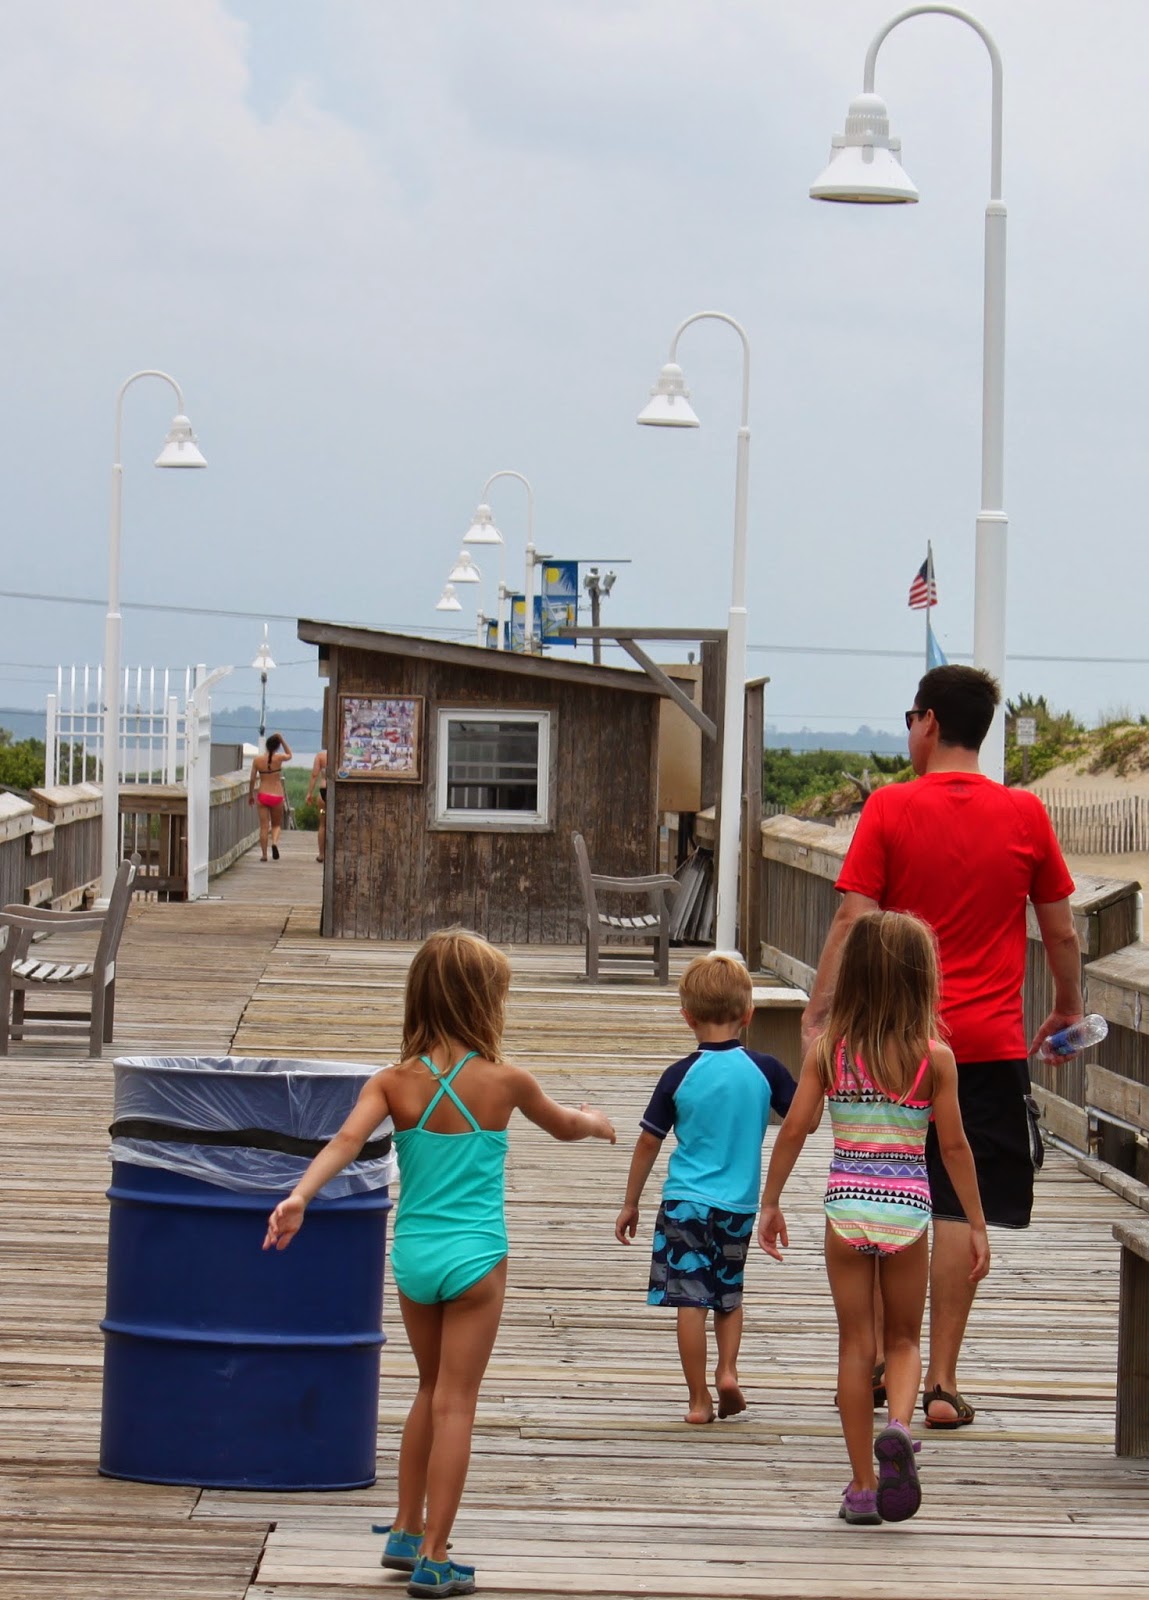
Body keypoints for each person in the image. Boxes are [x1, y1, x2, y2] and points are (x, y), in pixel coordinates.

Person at [263, 928, 615, 1599]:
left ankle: (403, 1526)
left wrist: (299, 1196)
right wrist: (595, 1122)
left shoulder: (392, 1083)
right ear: (484, 1004)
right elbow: (564, 1125)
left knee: (427, 1389)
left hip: (414, 1257)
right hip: (475, 1259)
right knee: (457, 1401)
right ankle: (435, 1554)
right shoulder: (504, 1080)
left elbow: (346, 1139)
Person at [801, 665, 1080, 1430]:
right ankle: (941, 1383)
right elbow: (1058, 927)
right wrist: (1065, 1006)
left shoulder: (889, 808)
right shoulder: (1023, 813)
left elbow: (851, 921)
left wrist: (821, 1015)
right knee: (961, 1198)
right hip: (985, 1045)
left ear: (926, 722)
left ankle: (863, 1368)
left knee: (873, 1185)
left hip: (887, 1042)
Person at [760, 910, 990, 1525]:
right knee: (905, 1339)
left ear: (854, 977)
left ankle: (863, 1485)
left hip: (846, 1211)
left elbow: (798, 1128)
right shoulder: (934, 1058)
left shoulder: (830, 1052)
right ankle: (897, 1426)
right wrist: (975, 1222)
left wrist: (772, 1200)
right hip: (907, 1212)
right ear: (923, 980)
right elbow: (955, 1148)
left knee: (855, 1346)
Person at [614, 952, 796, 1425]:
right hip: (738, 1206)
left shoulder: (680, 1074)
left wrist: (630, 1201)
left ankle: (698, 1400)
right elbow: (803, 1117)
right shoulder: (766, 1070)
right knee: (728, 1295)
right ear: (748, 1013)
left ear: (687, 1017)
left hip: (684, 1205)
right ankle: (729, 1371)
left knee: (690, 1302)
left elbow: (648, 1141)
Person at [248, 732, 292, 862]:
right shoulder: (279, 758)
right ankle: (274, 843)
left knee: (263, 826)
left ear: (266, 746)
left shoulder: (257, 760)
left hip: (263, 795)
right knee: (276, 825)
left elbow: (251, 779)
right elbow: (290, 754)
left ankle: (264, 855)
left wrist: (251, 794)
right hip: (277, 795)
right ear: (277, 747)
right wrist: (282, 739)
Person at [304, 748, 327, 863]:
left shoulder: (321, 756)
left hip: (324, 794)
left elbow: (314, 775)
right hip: (339, 794)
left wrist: (309, 793)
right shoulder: (342, 753)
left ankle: (321, 854)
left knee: (323, 823)